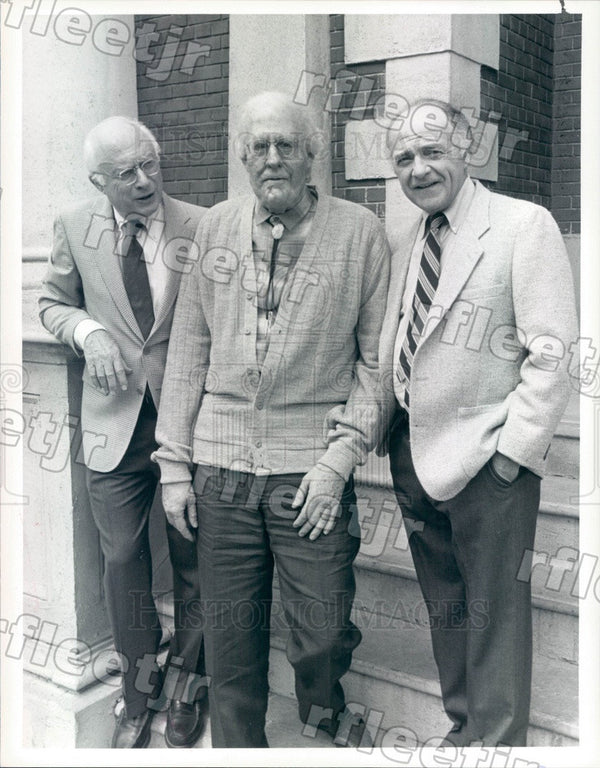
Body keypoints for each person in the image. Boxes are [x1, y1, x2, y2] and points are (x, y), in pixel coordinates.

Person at [152, 91, 390, 748]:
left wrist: (338, 462)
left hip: (308, 472)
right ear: (243, 158)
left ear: (313, 154)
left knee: (320, 632)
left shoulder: (361, 233)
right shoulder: (214, 230)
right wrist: (174, 464)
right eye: (259, 146)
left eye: (287, 144)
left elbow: (377, 362)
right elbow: (188, 349)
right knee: (231, 645)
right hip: (221, 468)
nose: (273, 157)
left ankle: (322, 712)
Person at [378, 99, 578, 746]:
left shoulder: (524, 225)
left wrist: (512, 453)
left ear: (467, 147)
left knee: (495, 613)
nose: (418, 168)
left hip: (490, 462)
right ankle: (463, 725)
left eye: (432, 152)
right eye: (404, 158)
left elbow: (551, 351)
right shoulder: (410, 239)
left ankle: (495, 745)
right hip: (414, 455)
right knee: (447, 606)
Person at [39, 116, 208, 749]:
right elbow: (53, 301)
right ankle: (139, 688)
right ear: (97, 182)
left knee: (193, 554)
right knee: (121, 560)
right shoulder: (74, 228)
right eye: (126, 173)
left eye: (151, 164)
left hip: (187, 422)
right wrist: (90, 332)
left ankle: (191, 679)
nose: (145, 181)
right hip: (112, 424)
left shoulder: (201, 224)